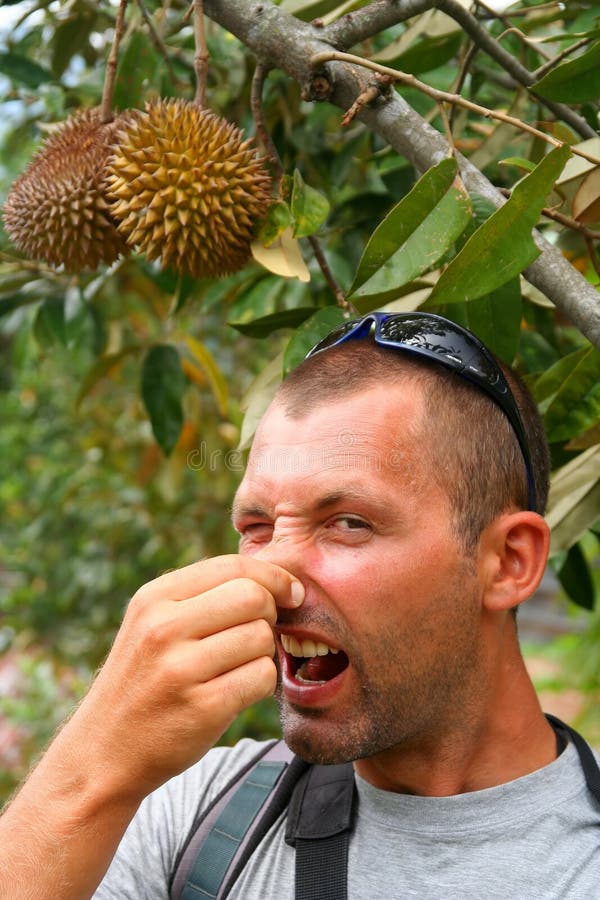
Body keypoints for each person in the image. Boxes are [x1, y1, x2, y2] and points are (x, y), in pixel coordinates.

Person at [0, 311, 598, 900]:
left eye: (348, 523)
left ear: (509, 562)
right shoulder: (194, 820)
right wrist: (92, 769)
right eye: (257, 525)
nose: (268, 573)